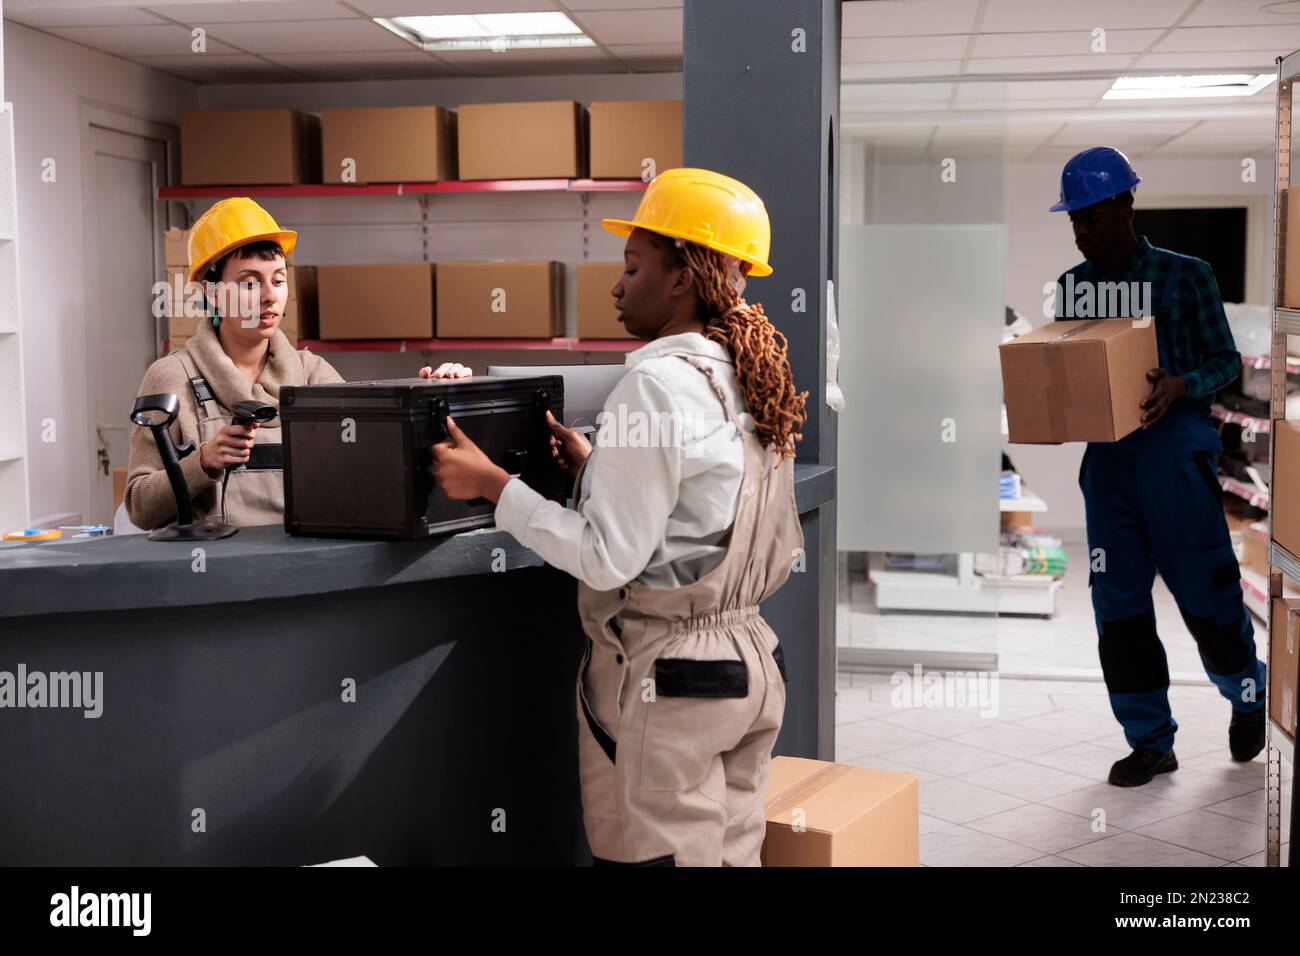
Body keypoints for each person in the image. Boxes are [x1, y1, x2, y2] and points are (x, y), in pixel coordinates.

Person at [428, 168, 808, 865]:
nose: (616, 284)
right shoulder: (750, 375)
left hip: (672, 676)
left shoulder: (655, 384)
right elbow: (697, 508)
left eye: (633, 266)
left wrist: (496, 487)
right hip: (750, 662)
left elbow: (610, 559)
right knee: (730, 857)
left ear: (681, 277)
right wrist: (596, 468)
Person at [1051, 147, 1268, 787]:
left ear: (1124, 206)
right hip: (1109, 471)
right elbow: (1069, 373)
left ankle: (1247, 694)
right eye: (1073, 222)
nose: (1081, 230)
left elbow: (1226, 362)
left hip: (1177, 459)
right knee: (1117, 610)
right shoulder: (1074, 287)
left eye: (1090, 216)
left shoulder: (1187, 276)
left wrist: (1183, 384)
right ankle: (1150, 742)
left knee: (1207, 599)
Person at [126, 197, 463, 530]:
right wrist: (202, 463)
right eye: (249, 282)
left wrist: (432, 404)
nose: (269, 296)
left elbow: (375, 465)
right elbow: (140, 508)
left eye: (278, 279)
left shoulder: (312, 374)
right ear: (212, 293)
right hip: (212, 576)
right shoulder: (171, 377)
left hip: (303, 570)